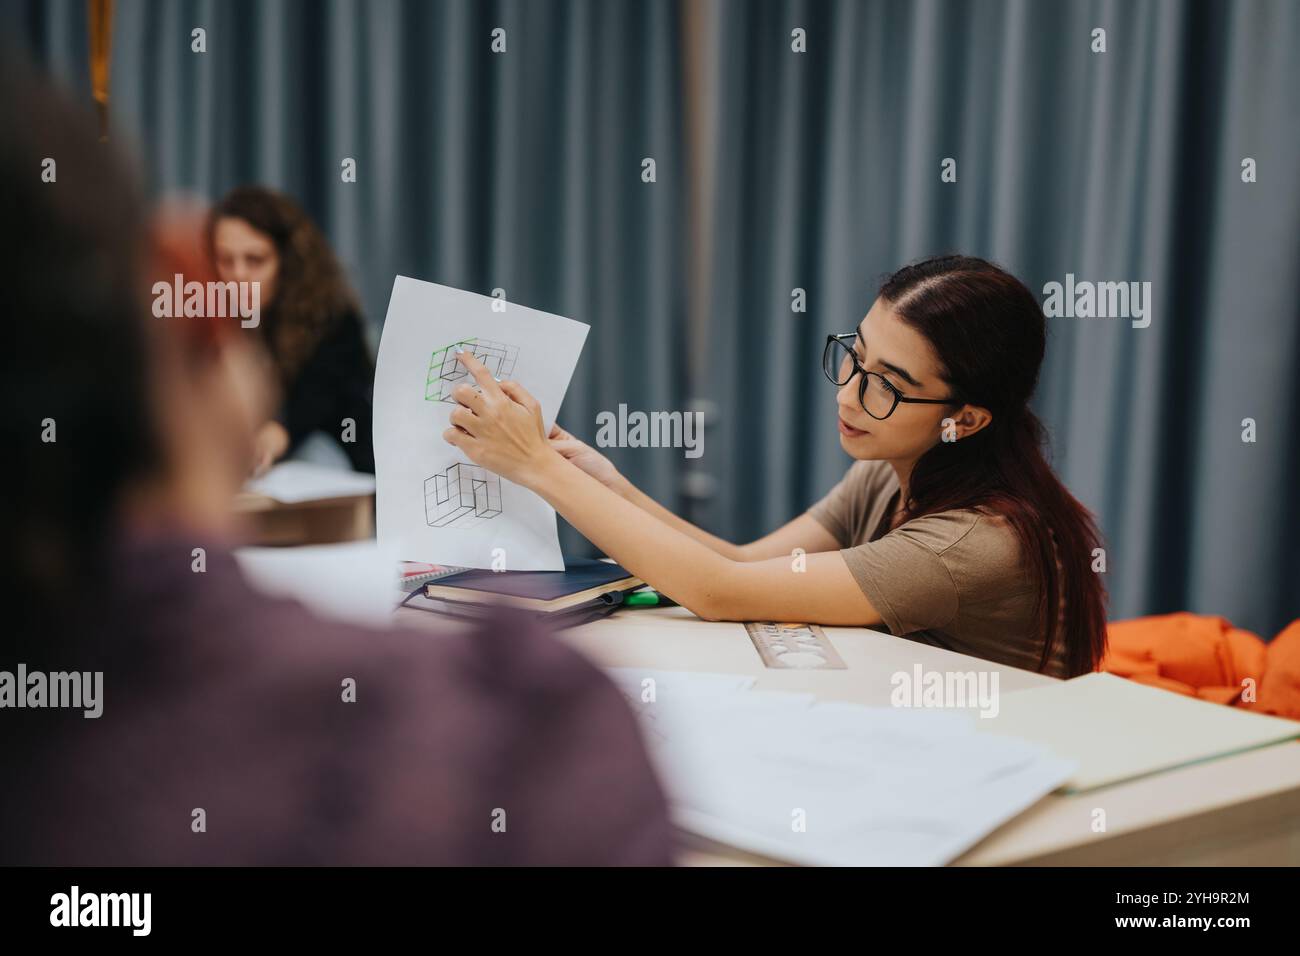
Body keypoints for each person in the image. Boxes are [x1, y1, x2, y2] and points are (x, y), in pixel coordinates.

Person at [0, 51, 671, 866]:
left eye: (255, 261)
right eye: (229, 265)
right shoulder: (516, 744)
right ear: (186, 272)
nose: (242, 279)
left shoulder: (321, 324)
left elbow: (306, 404)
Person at [442, 257, 1109, 679]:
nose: (847, 394)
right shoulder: (892, 469)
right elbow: (739, 565)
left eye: (888, 384)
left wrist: (536, 467)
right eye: (856, 357)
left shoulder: (970, 545)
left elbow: (719, 591)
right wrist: (606, 482)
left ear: (966, 418)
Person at [208, 185, 376, 474]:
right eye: (226, 260)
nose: (238, 276)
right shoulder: (211, 320)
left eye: (255, 260)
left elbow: (321, 394)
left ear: (287, 261)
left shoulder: (332, 318)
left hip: (344, 479)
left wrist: (275, 435)